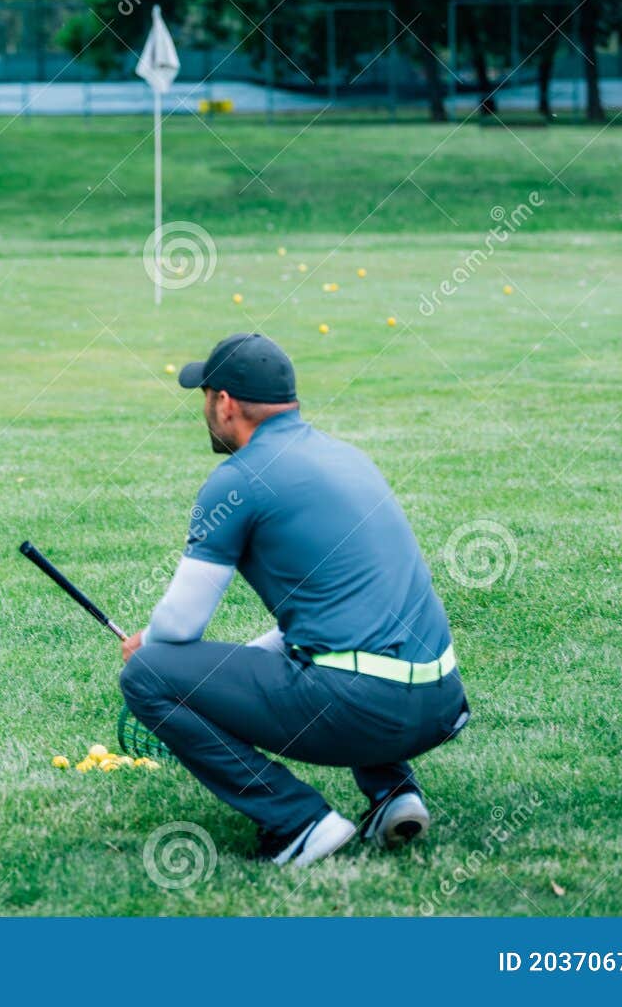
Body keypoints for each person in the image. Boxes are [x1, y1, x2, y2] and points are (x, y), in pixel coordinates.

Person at [119, 332, 470, 867]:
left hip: (367, 710)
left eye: (205, 396)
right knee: (352, 646)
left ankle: (298, 822)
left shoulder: (235, 482)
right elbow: (341, 612)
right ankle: (394, 794)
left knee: (147, 673)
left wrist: (150, 648)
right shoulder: (346, 457)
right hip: (441, 702)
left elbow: (181, 624)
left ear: (225, 402)